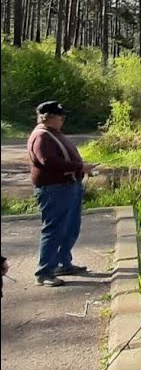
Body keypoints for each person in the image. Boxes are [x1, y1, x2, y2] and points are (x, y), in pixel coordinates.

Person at [27, 101, 97, 287]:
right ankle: (44, 273)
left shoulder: (52, 133)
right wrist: (80, 167)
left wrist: (80, 169)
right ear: (47, 117)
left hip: (68, 186)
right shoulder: (41, 136)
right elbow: (49, 161)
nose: (62, 119)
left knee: (70, 227)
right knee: (54, 230)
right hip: (54, 189)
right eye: (60, 116)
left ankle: (62, 263)